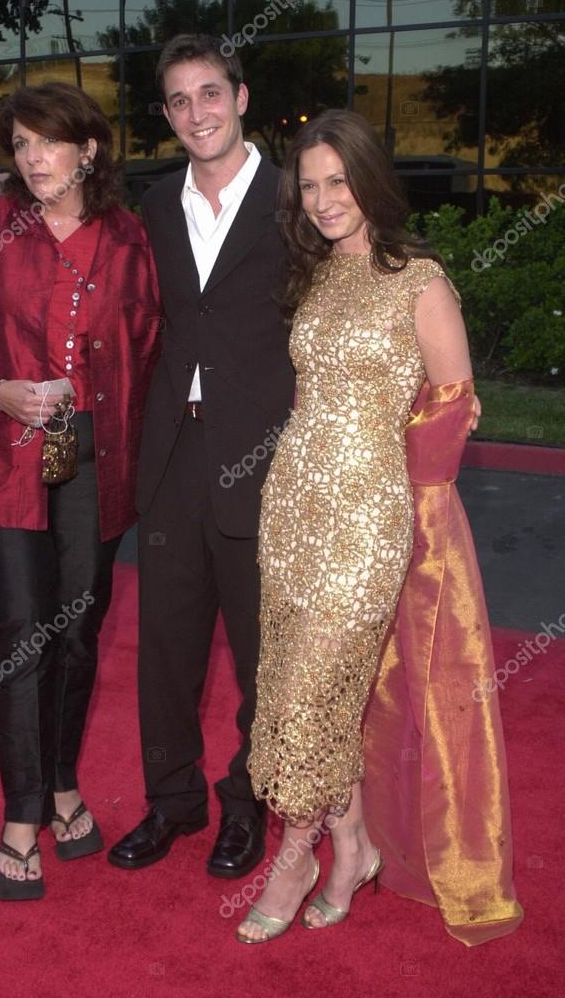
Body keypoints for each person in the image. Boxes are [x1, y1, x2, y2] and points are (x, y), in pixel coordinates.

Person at [235, 109, 494, 943]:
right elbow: (309, 400)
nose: (322, 199)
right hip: (292, 509)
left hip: (367, 518)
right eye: (308, 186)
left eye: (336, 180)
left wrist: (422, 526)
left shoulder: (420, 280)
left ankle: (297, 851)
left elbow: (453, 408)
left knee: (312, 691)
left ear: (368, 178)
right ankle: (352, 845)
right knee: (289, 688)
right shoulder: (316, 277)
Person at [0, 81, 161, 901]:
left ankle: (60, 782)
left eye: (47, 141)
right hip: (0, 456)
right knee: (20, 630)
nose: (32, 158)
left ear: (89, 148)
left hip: (93, 456)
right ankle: (23, 815)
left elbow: (154, 344)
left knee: (78, 630)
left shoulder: (129, 239)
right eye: (19, 144)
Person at [107, 34, 295, 879]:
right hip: (174, 451)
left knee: (262, 653)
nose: (196, 113)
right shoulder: (151, 206)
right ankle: (171, 800)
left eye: (209, 93)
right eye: (179, 101)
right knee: (166, 647)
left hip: (265, 455)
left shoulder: (298, 199)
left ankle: (246, 805)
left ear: (241, 96)